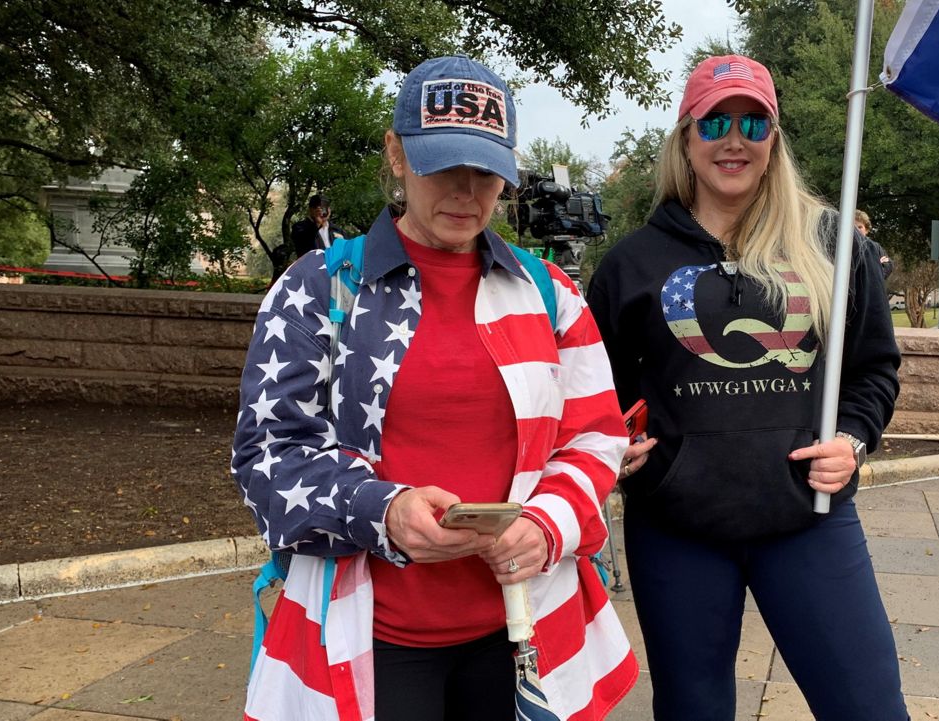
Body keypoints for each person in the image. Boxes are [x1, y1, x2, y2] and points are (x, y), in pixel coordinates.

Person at [232, 55, 637, 720]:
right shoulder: (319, 287)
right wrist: (383, 511)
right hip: (373, 635)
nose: (467, 190)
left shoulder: (549, 292)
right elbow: (268, 457)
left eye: (488, 172)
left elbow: (595, 435)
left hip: (523, 625)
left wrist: (548, 524)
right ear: (396, 154)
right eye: (444, 164)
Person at [586, 55, 907, 720]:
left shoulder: (828, 242)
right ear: (686, 137)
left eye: (754, 122)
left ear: (774, 139)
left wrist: (852, 438)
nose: (735, 139)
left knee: (869, 706)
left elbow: (873, 368)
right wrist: (612, 446)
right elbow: (597, 394)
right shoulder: (631, 263)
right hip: (678, 530)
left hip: (807, 520)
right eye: (717, 121)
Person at [291, 194, 344, 258]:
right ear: (310, 210)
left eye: (323, 207)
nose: (320, 210)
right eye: (316, 207)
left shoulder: (337, 230)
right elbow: (302, 243)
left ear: (329, 210)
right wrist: (317, 224)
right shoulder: (299, 228)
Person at [854, 208, 893, 279]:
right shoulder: (841, 247)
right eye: (853, 227)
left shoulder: (875, 247)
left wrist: (875, 269)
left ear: (866, 230)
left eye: (860, 227)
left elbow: (887, 266)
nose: (856, 230)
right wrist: (876, 264)